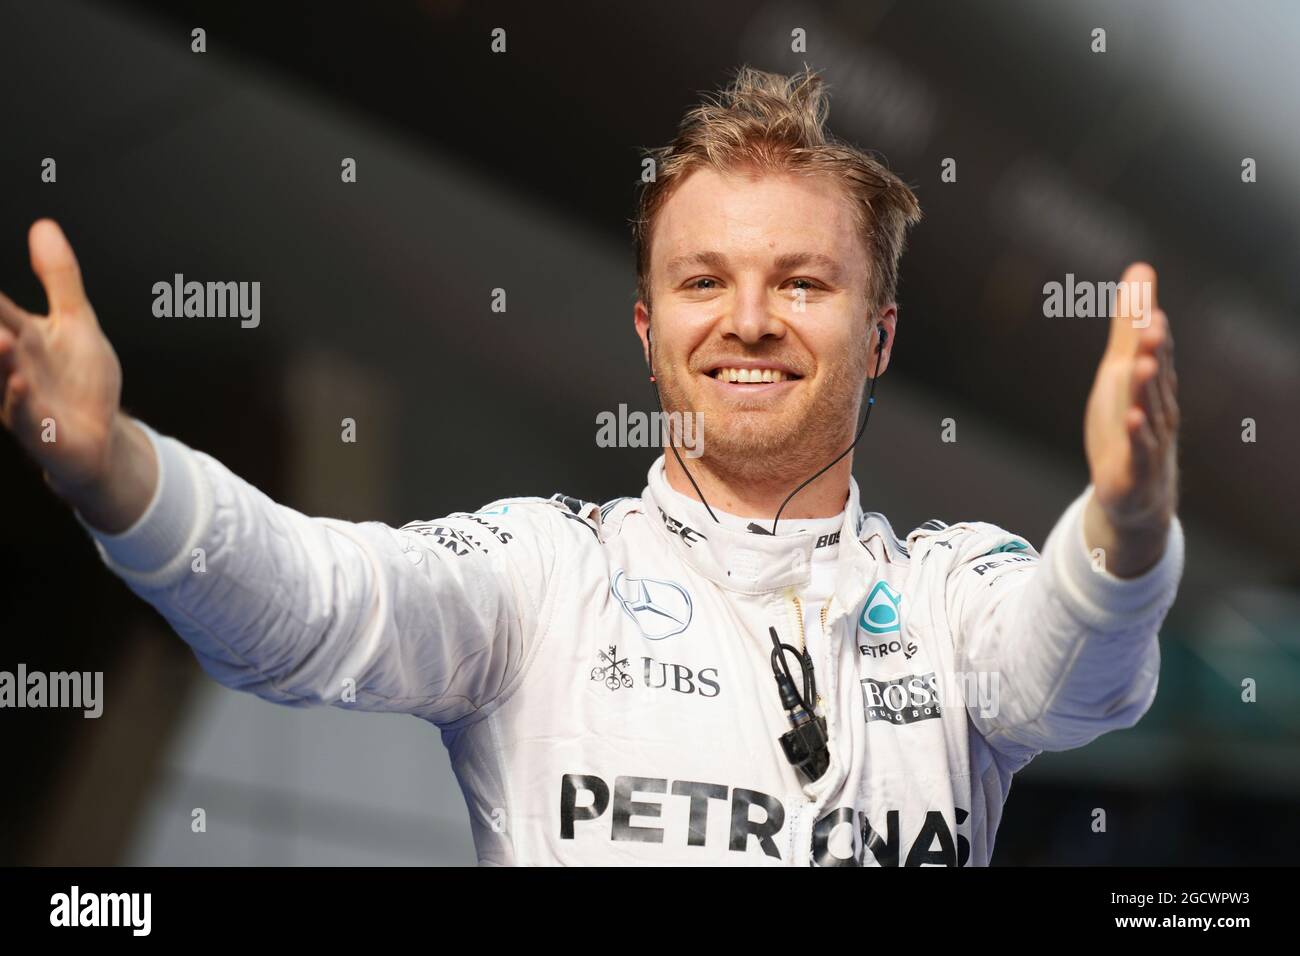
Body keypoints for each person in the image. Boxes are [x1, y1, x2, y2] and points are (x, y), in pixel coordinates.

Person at [0, 67, 1182, 866]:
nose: (751, 319)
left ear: (877, 336)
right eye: (703, 280)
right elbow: (315, 607)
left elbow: (1070, 674)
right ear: (648, 326)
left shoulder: (949, 589)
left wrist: (1124, 526)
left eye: (804, 283)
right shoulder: (542, 570)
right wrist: (119, 472)